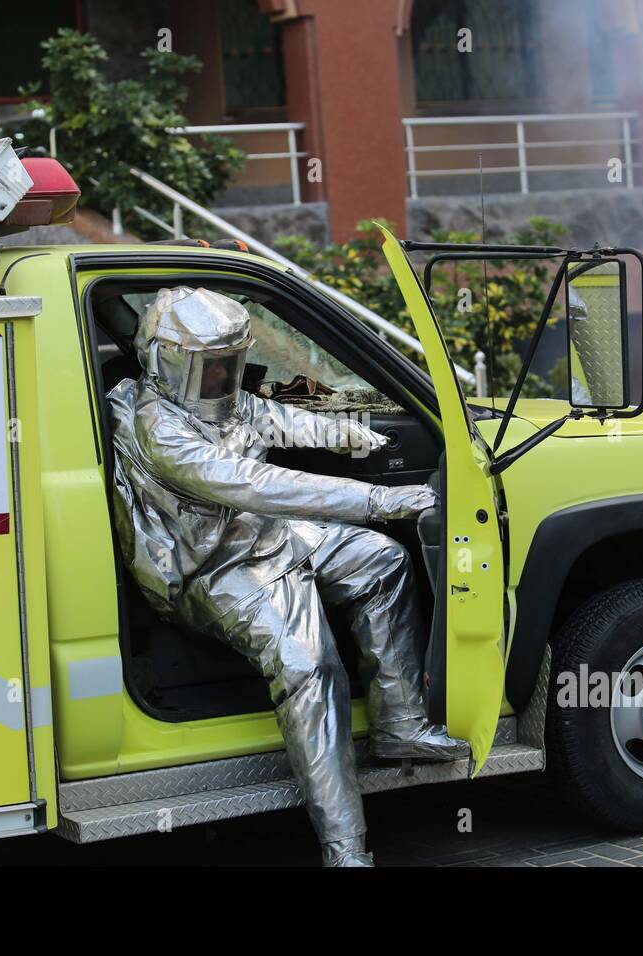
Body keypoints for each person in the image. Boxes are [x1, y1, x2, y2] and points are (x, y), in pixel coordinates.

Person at [107, 286, 468, 867]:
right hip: (213, 571)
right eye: (212, 366)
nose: (224, 377)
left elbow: (278, 419)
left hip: (266, 534)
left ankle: (400, 724)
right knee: (309, 668)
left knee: (382, 561)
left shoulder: (218, 400)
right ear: (170, 361)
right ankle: (346, 849)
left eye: (231, 364)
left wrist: (362, 435)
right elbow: (261, 484)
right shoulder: (158, 428)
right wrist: (379, 498)